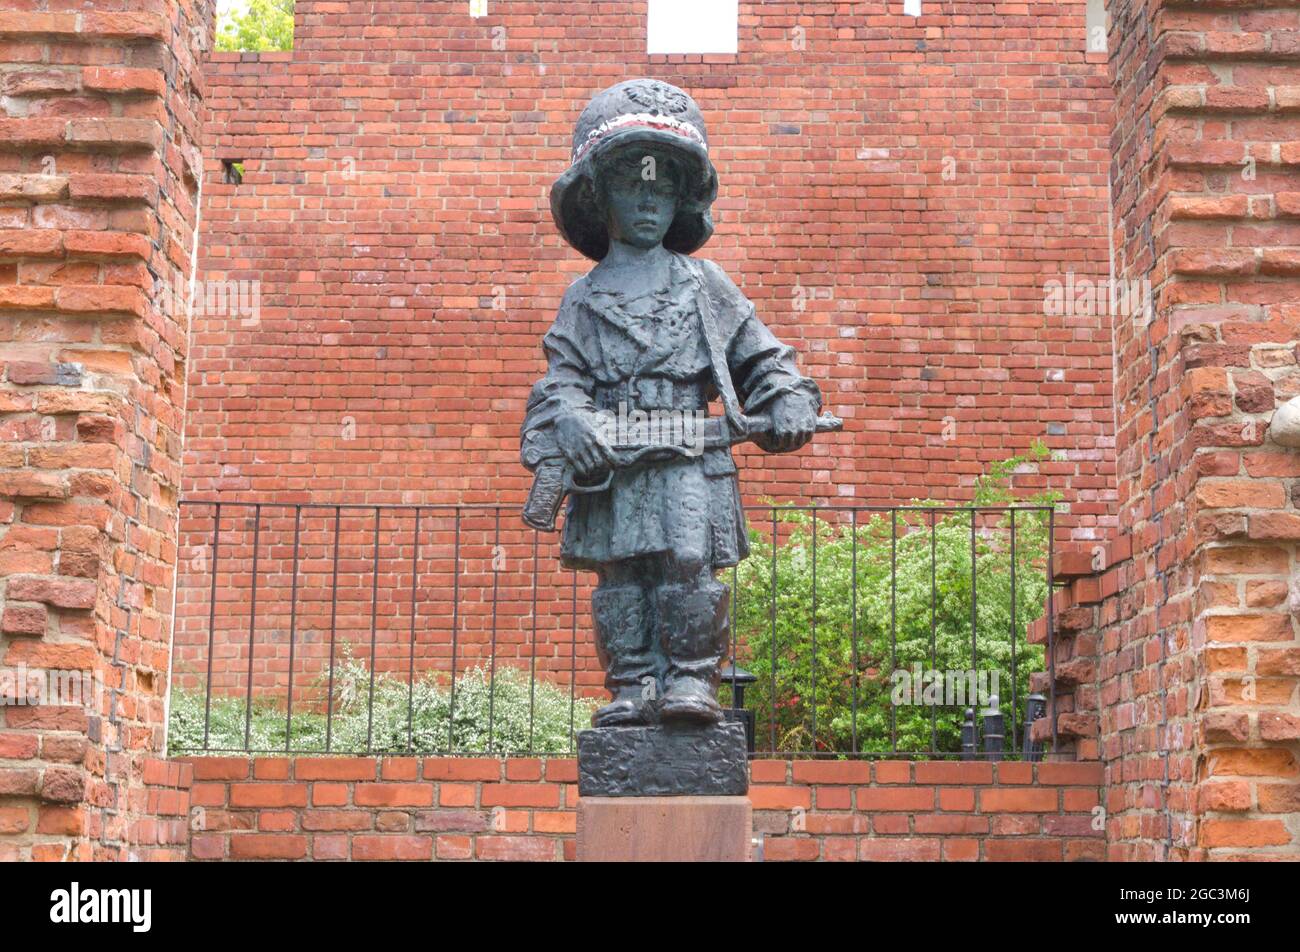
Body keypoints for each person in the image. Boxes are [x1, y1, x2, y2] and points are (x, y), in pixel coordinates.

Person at [521, 79, 824, 728]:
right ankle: (632, 685)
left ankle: (690, 681)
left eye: (662, 189)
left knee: (689, 565)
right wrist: (571, 418)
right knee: (621, 575)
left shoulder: (704, 284)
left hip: (690, 457)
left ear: (681, 199)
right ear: (601, 198)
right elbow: (559, 383)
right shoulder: (582, 297)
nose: (649, 202)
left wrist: (789, 401)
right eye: (634, 187)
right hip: (613, 463)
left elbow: (764, 359)